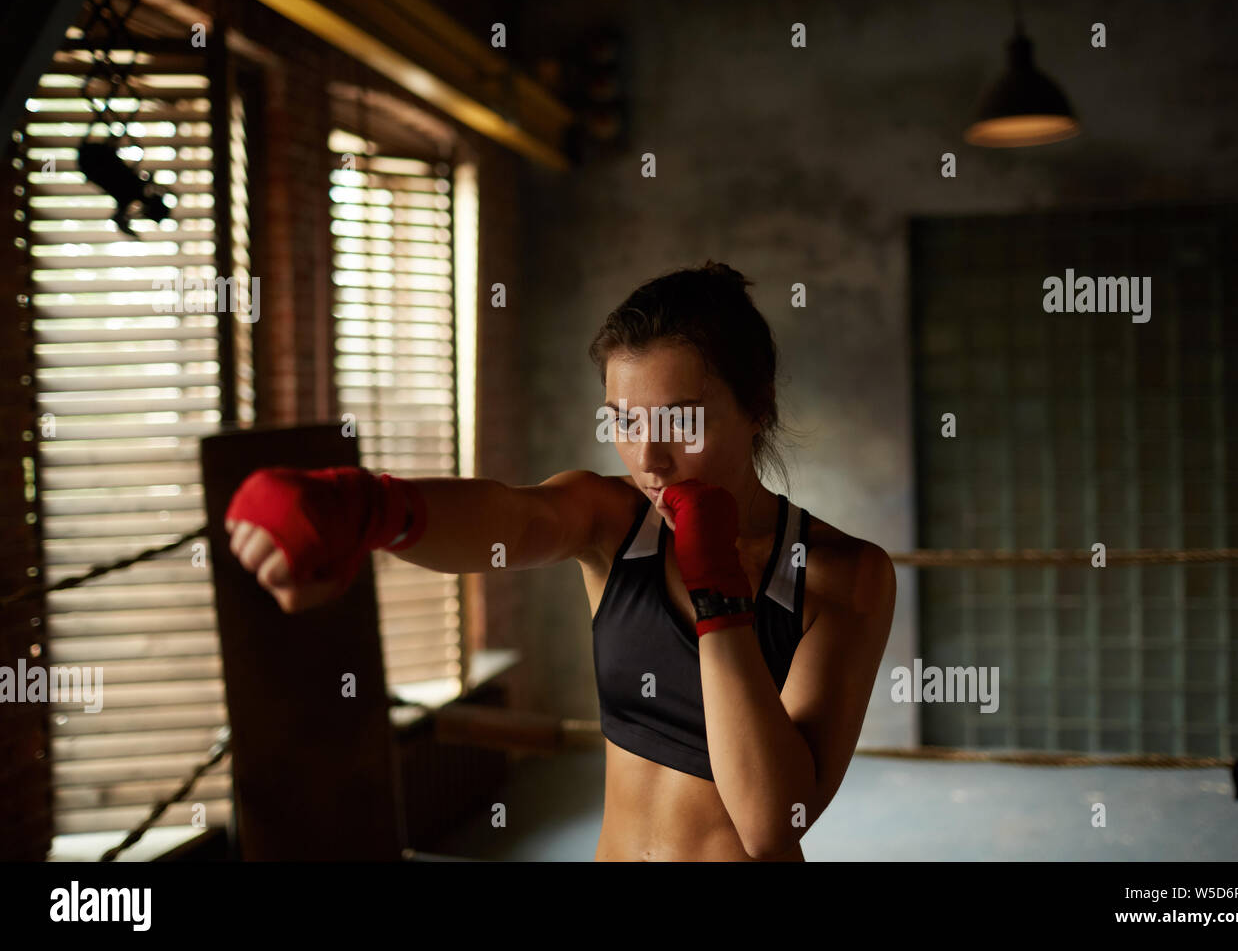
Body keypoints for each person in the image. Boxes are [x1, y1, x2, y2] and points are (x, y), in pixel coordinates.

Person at [224, 260, 896, 861]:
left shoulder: (840, 575)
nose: (651, 460)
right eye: (626, 423)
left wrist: (716, 587)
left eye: (682, 422)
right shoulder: (615, 521)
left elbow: (772, 824)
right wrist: (367, 507)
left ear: (759, 406)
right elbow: (510, 519)